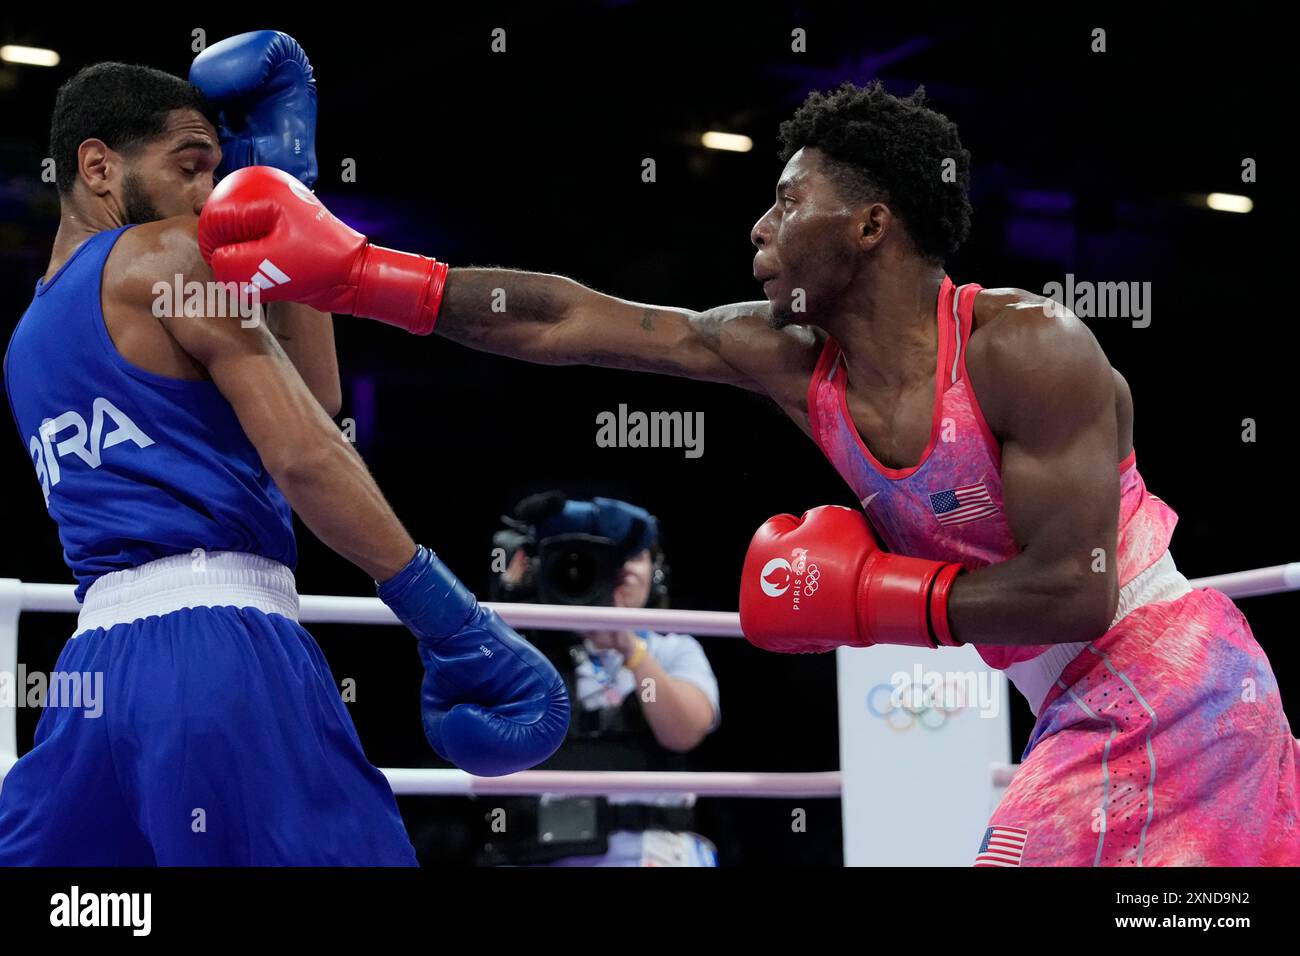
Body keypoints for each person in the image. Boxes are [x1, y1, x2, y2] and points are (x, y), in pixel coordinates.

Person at [196, 80, 1299, 865]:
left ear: (869, 223)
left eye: (788, 200)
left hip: (1171, 680)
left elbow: (1078, 587)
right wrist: (368, 275)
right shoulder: (788, 356)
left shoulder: (1028, 346)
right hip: (1069, 696)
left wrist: (868, 599)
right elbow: (574, 319)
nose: (759, 226)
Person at [0, 32, 566, 867]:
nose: (210, 192)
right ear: (97, 167)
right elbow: (306, 448)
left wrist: (285, 194)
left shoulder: (25, 341)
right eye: (191, 164)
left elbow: (313, 389)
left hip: (91, 679)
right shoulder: (163, 255)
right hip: (223, 652)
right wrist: (445, 616)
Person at [483, 493, 719, 866]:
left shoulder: (672, 647)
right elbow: (477, 729)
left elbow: (685, 731)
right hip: (537, 855)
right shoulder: (524, 651)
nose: (615, 570)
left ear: (656, 572)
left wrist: (631, 650)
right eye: (593, 559)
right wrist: (507, 604)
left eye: (631, 557)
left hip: (649, 853)